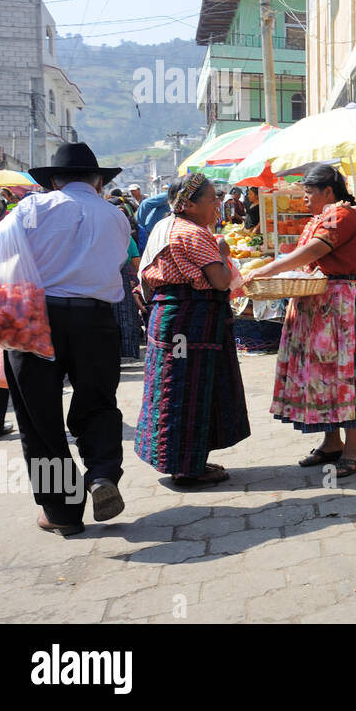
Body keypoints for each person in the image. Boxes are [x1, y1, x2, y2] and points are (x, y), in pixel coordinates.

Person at [1, 142, 130, 535]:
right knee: (98, 404)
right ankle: (102, 472)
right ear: (97, 181)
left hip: (35, 318)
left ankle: (62, 512)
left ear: (53, 181)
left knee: (39, 418)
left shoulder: (29, 210)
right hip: (97, 320)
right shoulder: (116, 217)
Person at [245, 164, 356, 477]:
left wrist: (270, 269)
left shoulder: (343, 215)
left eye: (309, 192)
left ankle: (353, 448)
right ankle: (331, 441)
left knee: (346, 372)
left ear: (328, 192)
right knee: (321, 375)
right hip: (318, 303)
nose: (304, 198)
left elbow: (315, 251)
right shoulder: (323, 217)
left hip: (340, 305)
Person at [135, 174, 250, 486]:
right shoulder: (194, 234)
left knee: (177, 384)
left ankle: (187, 459)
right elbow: (220, 281)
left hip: (171, 321)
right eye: (212, 198)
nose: (218, 204)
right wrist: (223, 252)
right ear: (188, 204)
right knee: (188, 386)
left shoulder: (164, 227)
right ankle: (187, 467)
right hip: (189, 325)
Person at [113, 235, 143, 362]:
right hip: (121, 278)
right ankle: (128, 351)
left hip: (103, 278)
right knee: (126, 316)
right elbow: (136, 263)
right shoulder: (125, 236)